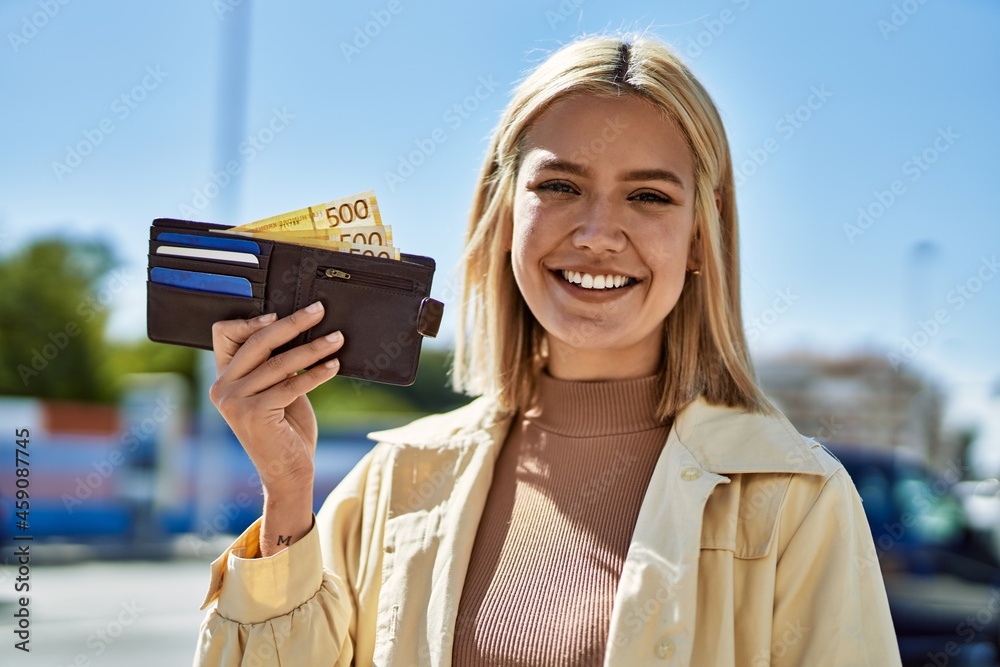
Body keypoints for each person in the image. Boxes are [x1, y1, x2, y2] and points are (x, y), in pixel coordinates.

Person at [193, 34, 901, 666]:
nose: (597, 235)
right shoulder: (397, 479)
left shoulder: (797, 500)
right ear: (505, 212)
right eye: (560, 186)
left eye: (649, 197)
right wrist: (287, 494)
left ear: (699, 235)